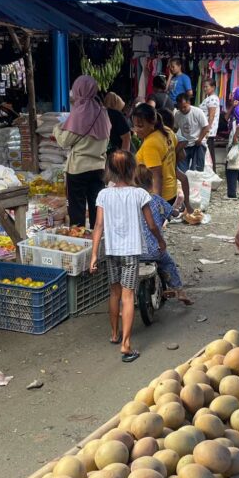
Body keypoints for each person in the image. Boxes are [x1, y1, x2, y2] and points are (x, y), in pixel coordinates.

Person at [90, 151, 166, 363]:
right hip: (130, 252)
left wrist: (94, 254)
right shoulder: (140, 194)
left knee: (114, 293)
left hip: (111, 251)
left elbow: (98, 225)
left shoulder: (104, 194)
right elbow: (151, 224)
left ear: (110, 171)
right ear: (133, 169)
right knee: (128, 296)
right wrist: (160, 241)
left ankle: (114, 334)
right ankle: (126, 345)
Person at [54, 75, 110, 227]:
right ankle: (97, 241)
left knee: (77, 208)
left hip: (79, 167)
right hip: (98, 167)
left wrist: (57, 129)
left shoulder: (79, 113)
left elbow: (65, 141)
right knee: (96, 206)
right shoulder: (102, 112)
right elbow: (106, 137)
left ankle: (79, 241)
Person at [135, 164, 193, 305]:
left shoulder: (130, 201)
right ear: (151, 182)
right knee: (168, 263)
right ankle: (179, 291)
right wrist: (177, 210)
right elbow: (172, 213)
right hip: (154, 249)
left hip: (132, 251)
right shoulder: (156, 200)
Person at [132, 103, 178, 205]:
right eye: (134, 125)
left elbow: (157, 177)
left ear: (152, 122)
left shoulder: (150, 144)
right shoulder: (167, 131)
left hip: (160, 195)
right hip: (171, 191)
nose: (136, 130)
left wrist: (157, 204)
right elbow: (177, 153)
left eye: (140, 126)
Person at [174, 93, 209, 172]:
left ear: (189, 103)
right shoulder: (177, 114)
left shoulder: (197, 112)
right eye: (180, 108)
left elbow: (206, 127)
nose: (182, 109)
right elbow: (175, 129)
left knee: (197, 169)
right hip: (185, 144)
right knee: (182, 169)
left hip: (198, 143)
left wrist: (200, 139)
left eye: (184, 107)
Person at [199, 78, 221, 167]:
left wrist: (207, 129)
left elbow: (211, 116)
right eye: (203, 87)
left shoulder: (212, 99)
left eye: (206, 87)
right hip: (207, 131)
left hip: (208, 132)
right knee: (208, 154)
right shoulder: (209, 98)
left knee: (208, 154)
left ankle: (210, 173)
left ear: (213, 87)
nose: (204, 89)